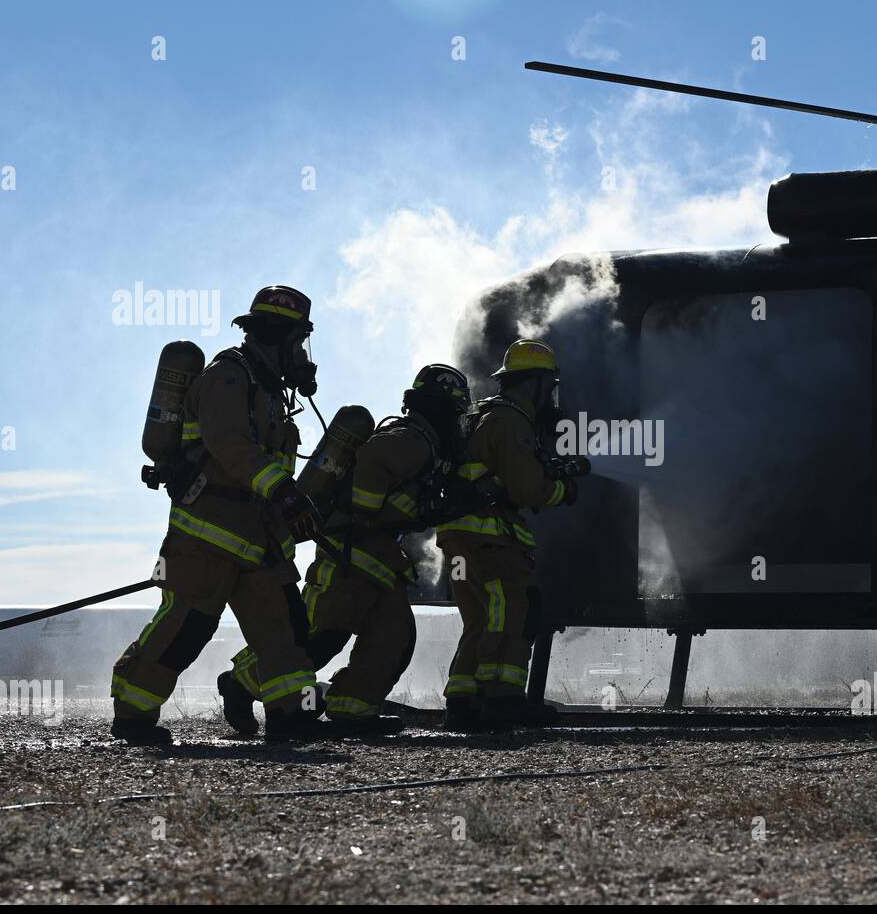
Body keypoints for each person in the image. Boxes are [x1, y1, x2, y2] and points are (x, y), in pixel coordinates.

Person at [109, 285, 325, 744]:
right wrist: (284, 492)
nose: (304, 355)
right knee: (186, 627)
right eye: (299, 343)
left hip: (260, 539)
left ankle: (291, 715)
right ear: (281, 338)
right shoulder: (230, 376)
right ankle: (133, 712)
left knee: (285, 628)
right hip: (209, 534)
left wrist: (285, 509)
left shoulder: (268, 391)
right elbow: (231, 445)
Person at [220, 365, 471, 736]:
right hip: (349, 555)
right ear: (443, 409)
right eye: (455, 413)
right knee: (320, 638)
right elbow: (373, 460)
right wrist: (369, 510)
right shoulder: (410, 440)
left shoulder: (427, 446)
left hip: (380, 559)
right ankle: (241, 683)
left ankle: (352, 709)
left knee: (394, 637)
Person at [436, 339, 579, 730]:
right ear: (533, 384)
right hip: (491, 540)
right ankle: (502, 700)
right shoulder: (511, 420)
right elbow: (526, 489)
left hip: (460, 539)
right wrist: (562, 489)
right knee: (512, 612)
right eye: (548, 387)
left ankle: (462, 703)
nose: (550, 397)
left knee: (479, 619)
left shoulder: (478, 415)